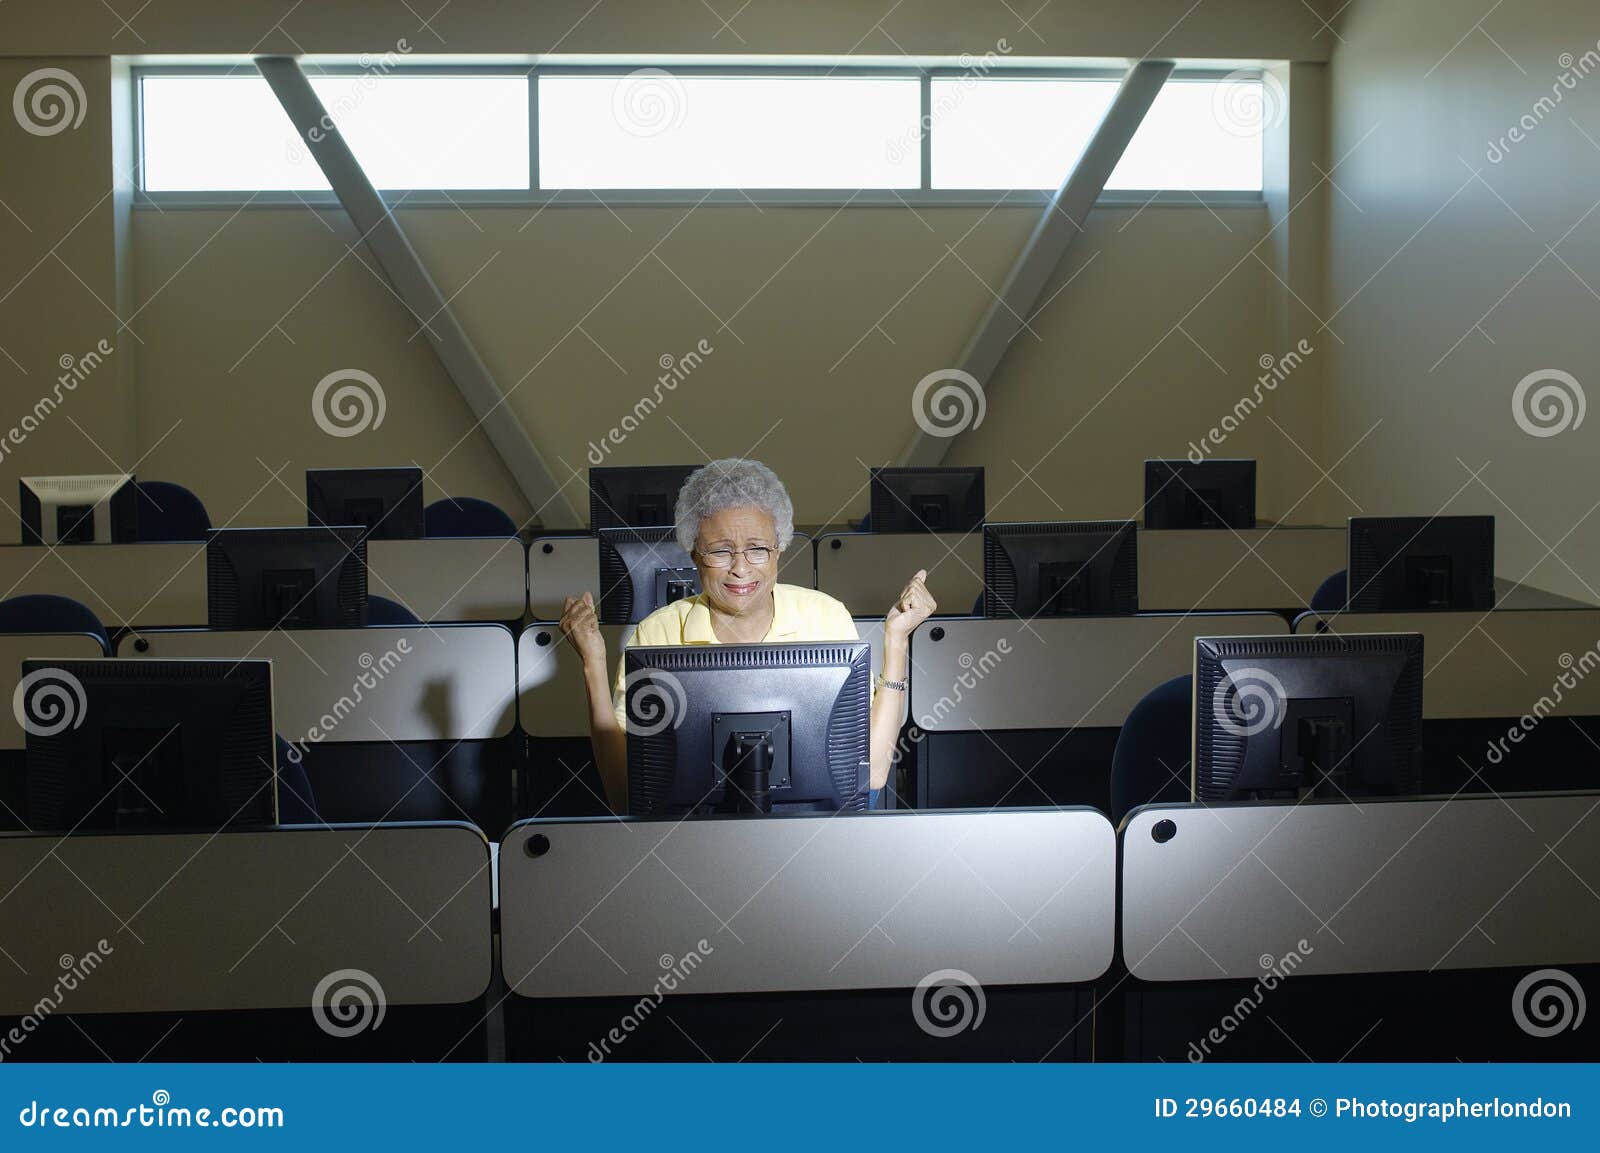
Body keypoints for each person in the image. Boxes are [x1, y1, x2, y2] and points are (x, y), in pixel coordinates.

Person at [560, 458, 936, 812]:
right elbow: (624, 795)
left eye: (757, 549)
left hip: (809, 833)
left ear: (779, 550)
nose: (740, 568)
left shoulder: (825, 616)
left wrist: (896, 640)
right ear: (694, 555)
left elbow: (871, 775)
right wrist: (593, 663)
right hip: (693, 836)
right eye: (720, 551)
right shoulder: (657, 632)